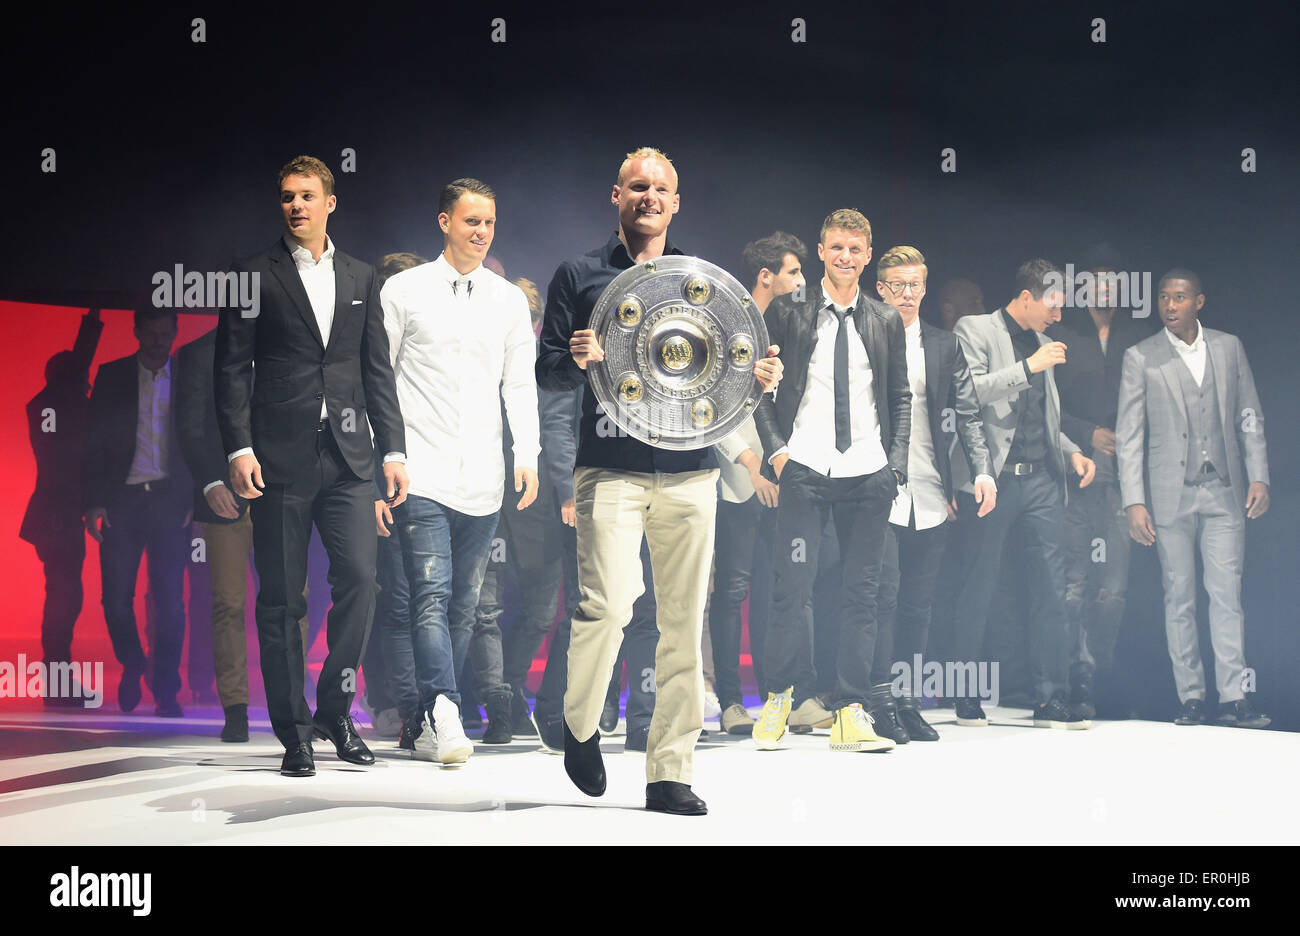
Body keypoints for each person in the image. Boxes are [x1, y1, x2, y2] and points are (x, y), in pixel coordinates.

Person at [535, 147, 782, 815]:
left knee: (682, 622)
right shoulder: (579, 274)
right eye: (637, 186)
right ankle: (579, 724)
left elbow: (729, 379)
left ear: (676, 203)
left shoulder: (699, 280)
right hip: (608, 467)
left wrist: (757, 381)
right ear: (616, 195)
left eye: (661, 188)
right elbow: (548, 372)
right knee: (609, 607)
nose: (649, 196)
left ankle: (669, 771)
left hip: (690, 471)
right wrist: (577, 357)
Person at [215, 155, 409, 777]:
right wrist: (239, 449)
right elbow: (229, 369)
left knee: (361, 584)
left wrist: (394, 451)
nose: (295, 205)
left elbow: (375, 369)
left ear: (331, 202)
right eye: (286, 197)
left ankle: (334, 707)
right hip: (278, 460)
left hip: (350, 458)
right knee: (280, 601)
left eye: (306, 196)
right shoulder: (253, 273)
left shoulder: (360, 274)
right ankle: (294, 732)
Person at [380, 178, 540, 764]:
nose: (481, 232)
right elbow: (380, 383)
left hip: (483, 481)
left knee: (465, 606)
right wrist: (387, 458)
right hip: (419, 473)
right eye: (471, 221)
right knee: (429, 596)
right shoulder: (403, 291)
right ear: (443, 221)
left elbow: (520, 384)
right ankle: (446, 710)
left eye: (490, 223)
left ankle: (425, 720)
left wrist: (528, 455)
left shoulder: (508, 300)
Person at [750, 208, 911, 754]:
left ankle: (851, 710)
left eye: (855, 249)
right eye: (836, 247)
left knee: (861, 596)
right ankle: (777, 697)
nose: (845, 257)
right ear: (821, 251)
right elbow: (760, 389)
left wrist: (897, 465)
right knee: (791, 590)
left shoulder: (885, 317)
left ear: (868, 256)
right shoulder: (788, 310)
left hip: (868, 471)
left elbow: (901, 399)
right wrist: (776, 452)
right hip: (807, 469)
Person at [1116, 269, 1270, 728]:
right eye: (1164, 297)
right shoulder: (1140, 357)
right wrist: (1133, 500)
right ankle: (1191, 697)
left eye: (1179, 297)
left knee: (1226, 594)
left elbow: (1249, 414)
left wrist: (1258, 474)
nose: (1170, 305)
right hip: (1169, 495)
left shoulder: (1228, 347)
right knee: (1178, 595)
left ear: (1198, 301)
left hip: (1224, 490)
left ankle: (1233, 697)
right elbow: (1130, 436)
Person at [946, 259, 1096, 729]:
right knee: (979, 586)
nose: (1057, 316)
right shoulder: (976, 328)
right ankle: (966, 694)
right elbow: (967, 393)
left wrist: (1072, 451)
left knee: (1051, 588)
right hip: (992, 479)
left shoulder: (1041, 342)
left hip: (1041, 480)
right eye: (1052, 305)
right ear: (1027, 297)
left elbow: (1046, 414)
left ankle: (1050, 696)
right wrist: (1029, 365)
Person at [869, 246, 994, 742]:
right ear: (880, 289)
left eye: (914, 285)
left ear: (925, 287)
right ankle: (877, 701)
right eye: (896, 285)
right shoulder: (864, 336)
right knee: (882, 596)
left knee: (920, 603)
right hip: (875, 485)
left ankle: (907, 701)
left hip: (930, 487)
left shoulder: (943, 344)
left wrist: (982, 471)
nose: (906, 294)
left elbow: (967, 413)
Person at [1049, 250, 1153, 717]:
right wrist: (1086, 433)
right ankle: (1075, 677)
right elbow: (1045, 405)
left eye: (1114, 284)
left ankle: (1103, 674)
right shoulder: (1062, 335)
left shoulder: (1140, 336)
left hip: (1126, 473)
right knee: (1073, 582)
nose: (1105, 291)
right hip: (1073, 466)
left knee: (1113, 587)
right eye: (1096, 283)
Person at [710, 231, 806, 735]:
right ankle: (729, 701)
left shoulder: (791, 322)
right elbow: (713, 404)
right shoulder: (728, 320)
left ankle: (780, 696)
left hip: (783, 471)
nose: (801, 281)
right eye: (793, 272)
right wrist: (750, 462)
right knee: (732, 588)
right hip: (736, 477)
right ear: (766, 275)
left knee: (778, 587)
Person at [84, 306, 193, 716]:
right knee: (115, 598)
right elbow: (92, 441)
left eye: (165, 333)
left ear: (174, 333)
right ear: (136, 332)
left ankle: (166, 689)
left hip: (169, 501)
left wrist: (193, 501)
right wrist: (93, 500)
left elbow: (200, 438)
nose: (158, 341)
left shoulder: (187, 378)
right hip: (122, 501)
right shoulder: (113, 375)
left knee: (170, 603)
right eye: (150, 333)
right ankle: (133, 663)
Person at [23, 307, 103, 703]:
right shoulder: (56, 405)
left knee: (64, 598)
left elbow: (78, 364)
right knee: (64, 600)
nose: (88, 385)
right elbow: (62, 466)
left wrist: (93, 319)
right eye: (82, 379)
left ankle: (58, 683)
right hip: (57, 518)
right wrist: (92, 317)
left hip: (56, 517)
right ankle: (57, 686)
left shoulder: (50, 404)